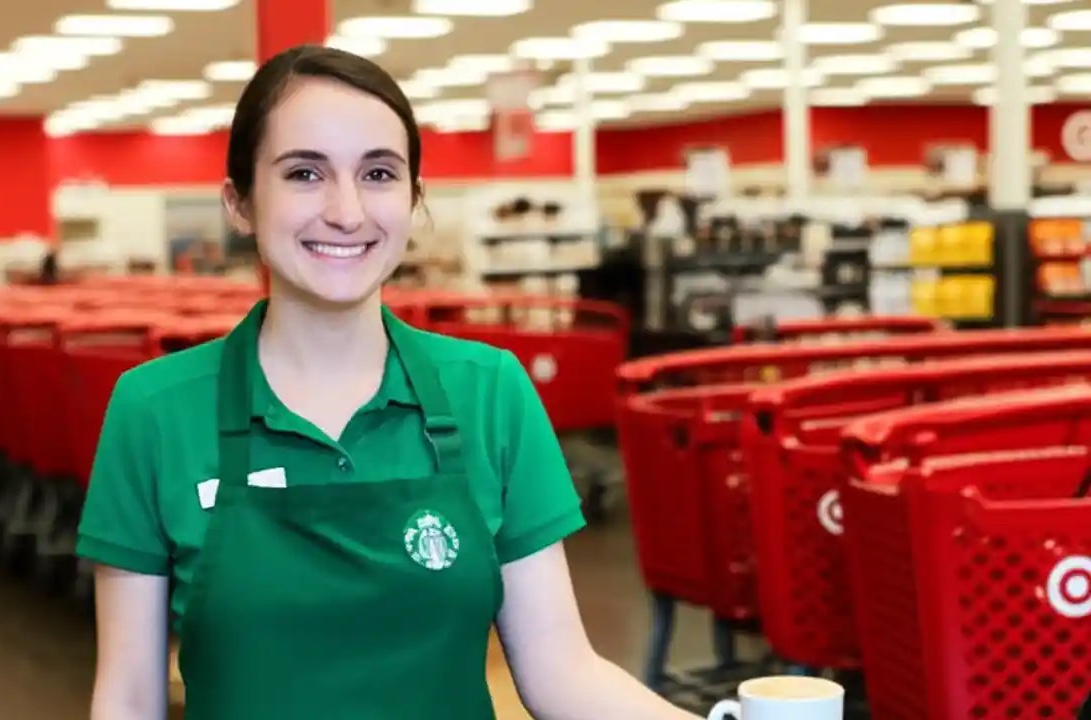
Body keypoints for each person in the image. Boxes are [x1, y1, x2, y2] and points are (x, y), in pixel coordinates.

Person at [75, 44, 702, 720]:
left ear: (413, 199)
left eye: (378, 173)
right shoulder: (155, 410)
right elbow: (130, 697)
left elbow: (561, 670)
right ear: (240, 202)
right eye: (305, 173)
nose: (347, 211)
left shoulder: (490, 394)